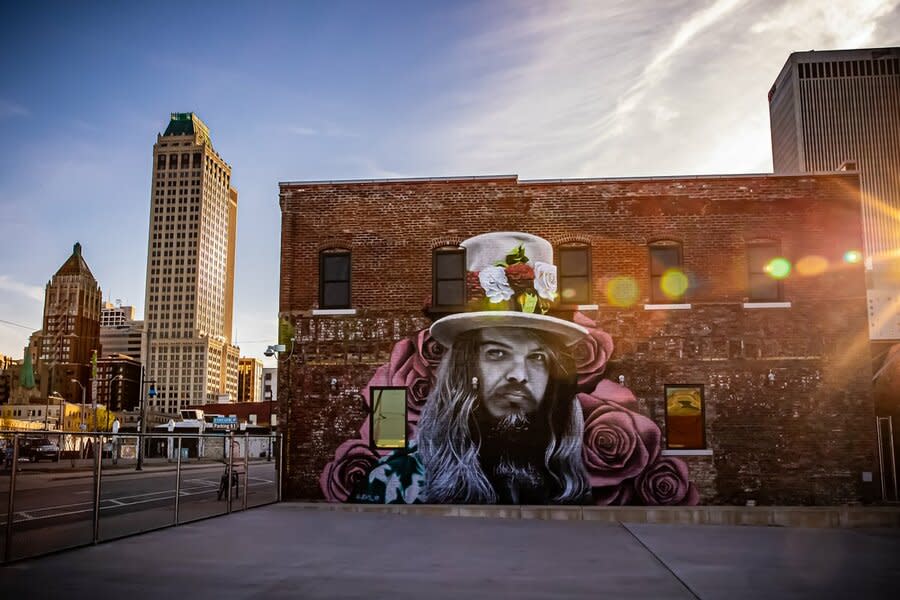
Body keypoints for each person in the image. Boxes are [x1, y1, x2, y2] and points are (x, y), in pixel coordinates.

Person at [356, 232, 592, 505]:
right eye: (497, 353)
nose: (519, 374)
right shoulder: (395, 481)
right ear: (467, 367)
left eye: (537, 357)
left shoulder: (564, 480)